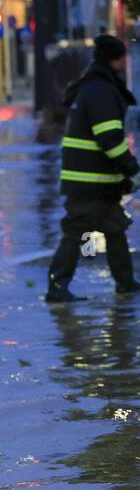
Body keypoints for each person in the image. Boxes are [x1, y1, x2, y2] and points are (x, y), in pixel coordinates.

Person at [47, 33, 140, 302]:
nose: (126, 61)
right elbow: (109, 138)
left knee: (114, 227)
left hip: (92, 178)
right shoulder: (101, 91)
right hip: (92, 180)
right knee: (77, 231)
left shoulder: (93, 87)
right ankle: (57, 287)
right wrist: (132, 168)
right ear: (115, 59)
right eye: (123, 56)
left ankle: (125, 282)